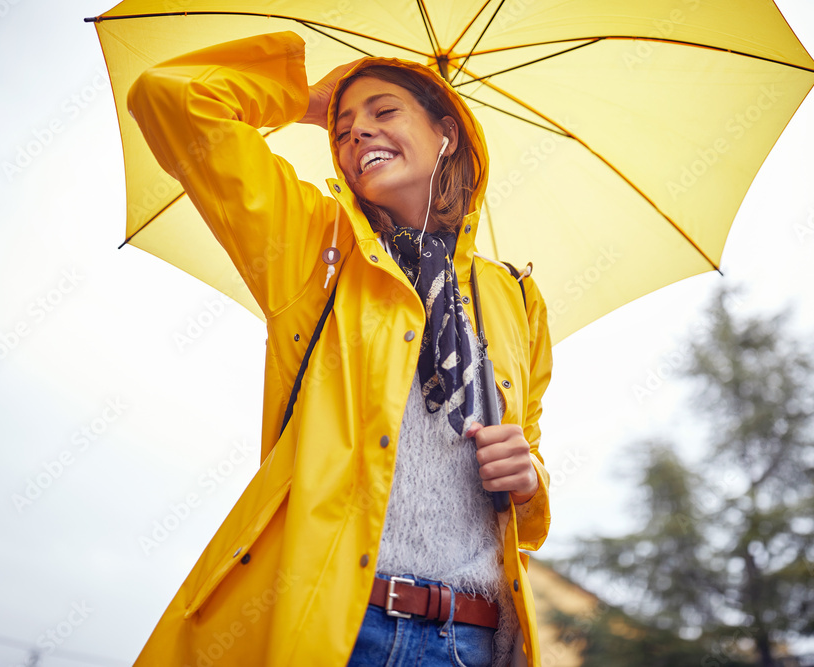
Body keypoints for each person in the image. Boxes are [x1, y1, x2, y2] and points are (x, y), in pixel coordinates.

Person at [126, 30, 553, 666]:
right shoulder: (312, 246)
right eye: (343, 128)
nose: (357, 134)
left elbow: (532, 504)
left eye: (385, 112)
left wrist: (530, 482)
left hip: (470, 640)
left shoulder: (517, 298)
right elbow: (170, 98)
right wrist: (305, 99)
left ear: (447, 132)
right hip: (338, 627)